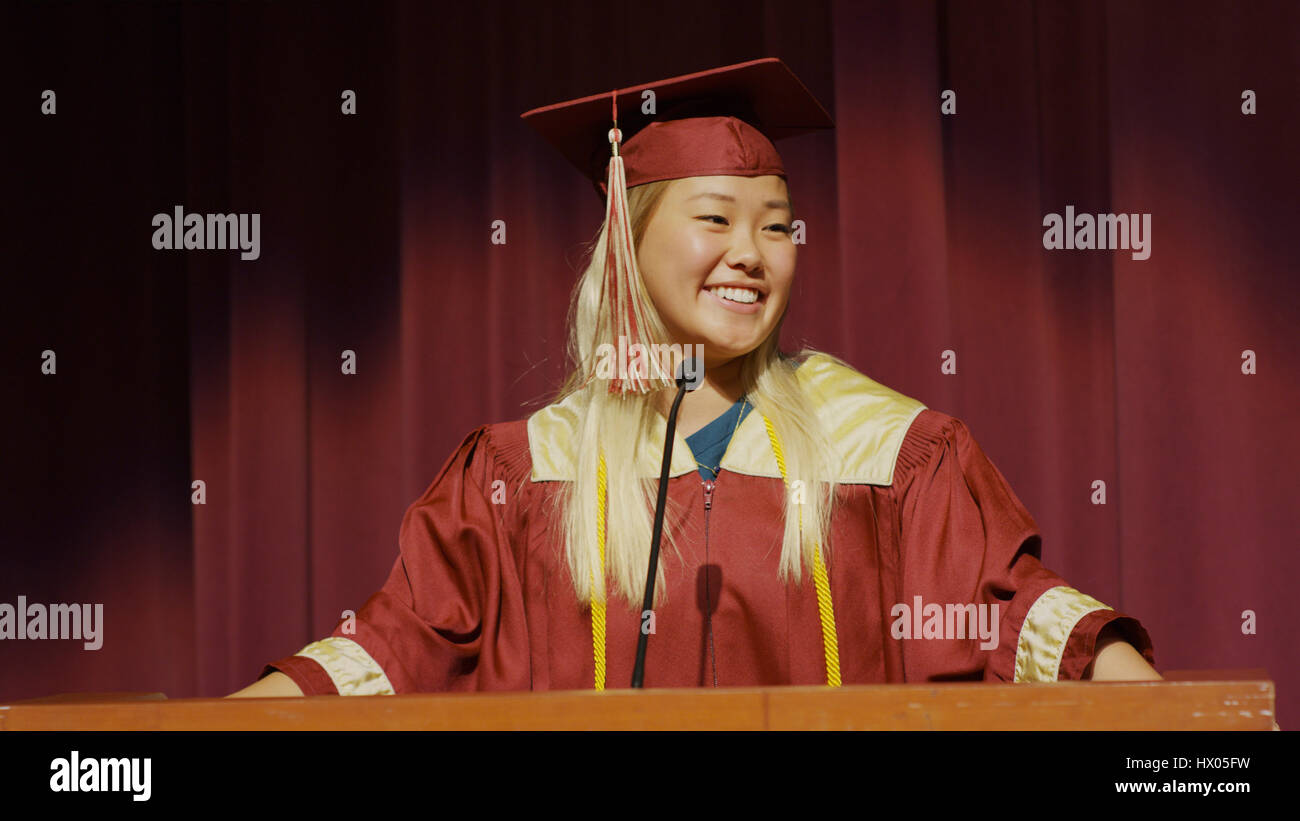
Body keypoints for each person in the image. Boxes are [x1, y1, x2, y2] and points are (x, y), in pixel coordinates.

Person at [230, 58, 1157, 698]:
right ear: (628, 246)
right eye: (715, 218)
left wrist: (1166, 713)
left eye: (777, 225)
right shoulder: (523, 476)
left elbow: (1011, 605)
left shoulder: (888, 453)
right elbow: (401, 648)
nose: (750, 255)